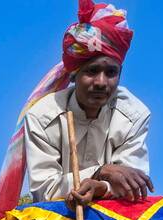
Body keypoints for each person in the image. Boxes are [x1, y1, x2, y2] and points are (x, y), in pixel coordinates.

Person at [23, 2, 149, 205]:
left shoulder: (135, 114)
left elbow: (132, 184)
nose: (101, 82)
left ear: (120, 75)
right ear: (74, 75)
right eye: (91, 71)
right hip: (58, 213)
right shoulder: (42, 116)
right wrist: (101, 172)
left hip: (116, 210)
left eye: (111, 73)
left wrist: (101, 187)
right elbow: (45, 191)